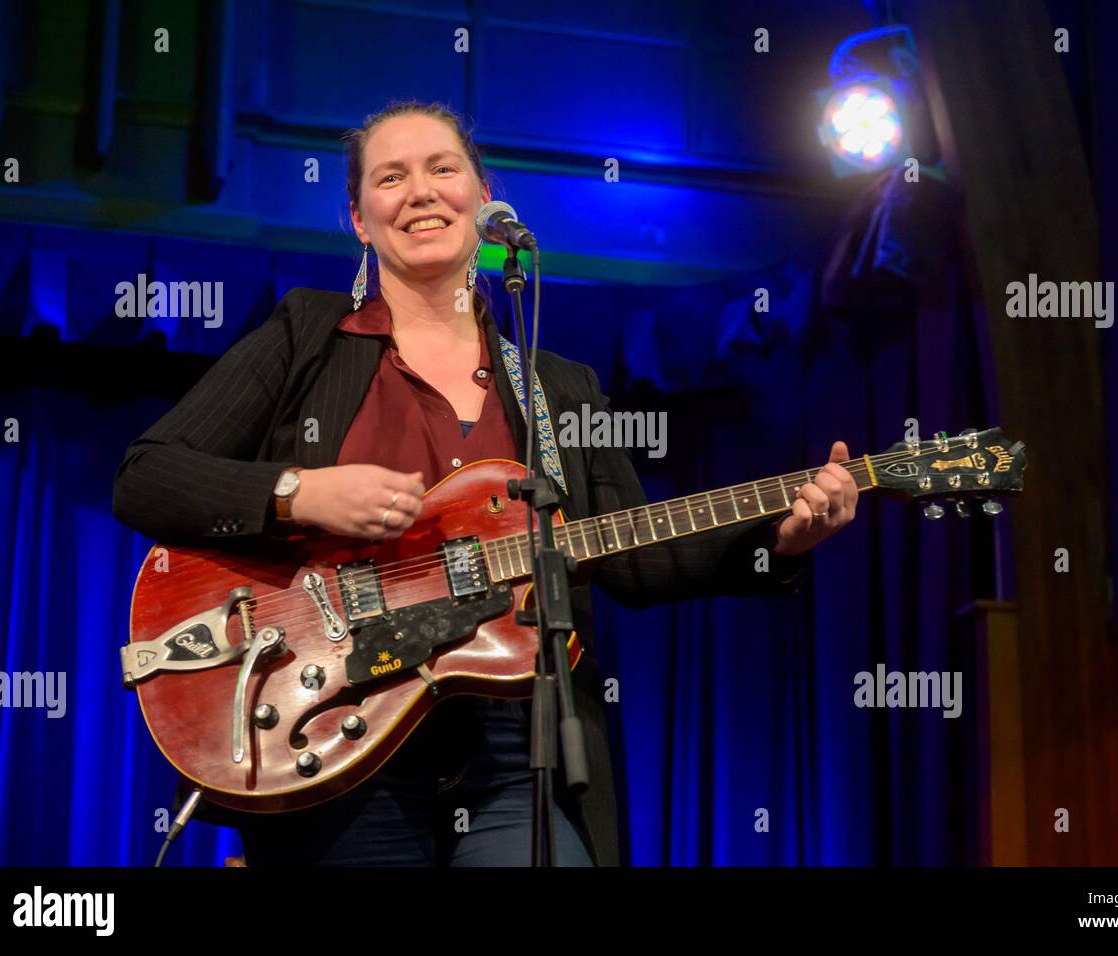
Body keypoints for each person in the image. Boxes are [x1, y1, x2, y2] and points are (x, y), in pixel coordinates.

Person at [112, 99, 858, 867]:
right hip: (338, 728)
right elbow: (147, 475)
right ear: (360, 220)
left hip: (515, 745)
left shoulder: (557, 385)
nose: (422, 191)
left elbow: (631, 557)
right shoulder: (308, 335)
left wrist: (777, 538)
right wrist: (301, 491)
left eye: (443, 168)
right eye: (391, 178)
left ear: (484, 195)